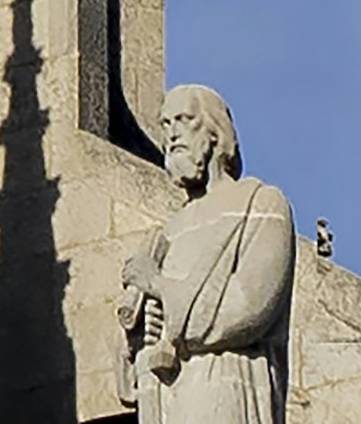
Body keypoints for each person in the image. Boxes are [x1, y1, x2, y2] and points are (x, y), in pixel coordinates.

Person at [118, 87, 297, 424]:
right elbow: (132, 368)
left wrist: (158, 285)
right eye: (165, 123)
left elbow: (246, 309)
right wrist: (139, 335)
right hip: (166, 397)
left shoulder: (260, 205)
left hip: (228, 381)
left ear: (215, 133)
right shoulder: (166, 233)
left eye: (183, 120)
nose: (171, 133)